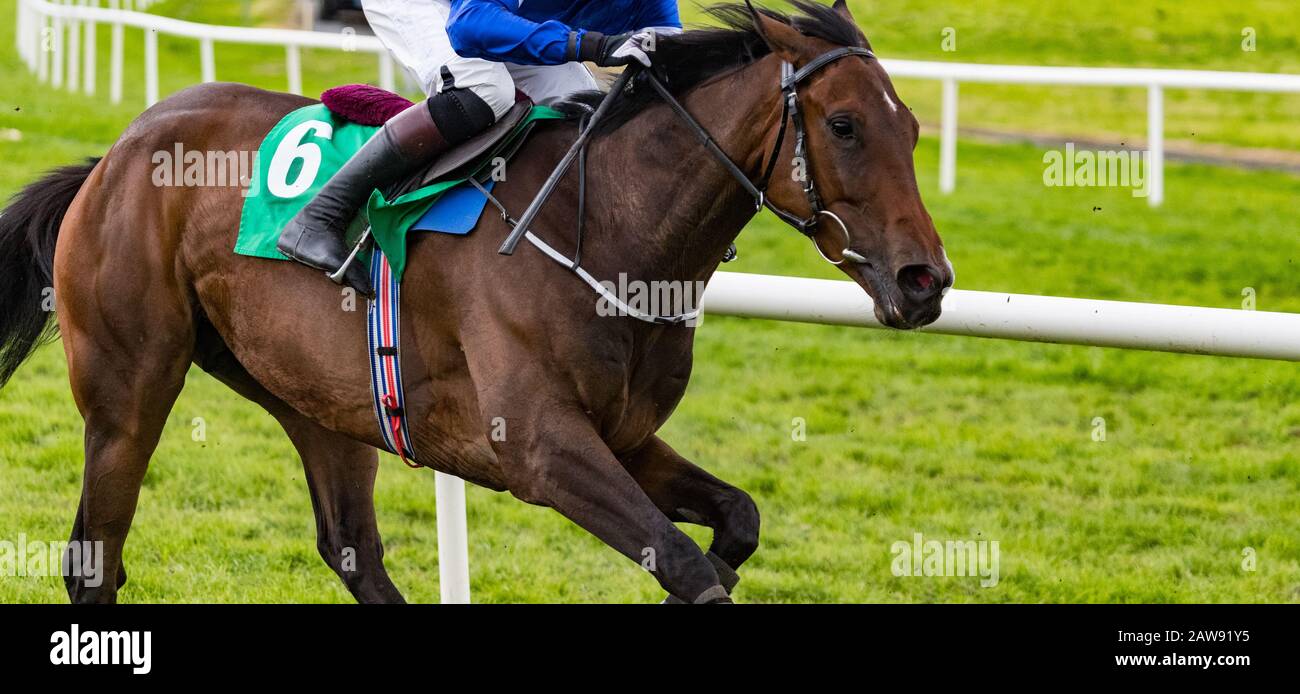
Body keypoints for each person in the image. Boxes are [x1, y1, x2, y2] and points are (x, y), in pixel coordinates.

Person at [277, 0, 682, 292]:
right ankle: (319, 217)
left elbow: (668, 55)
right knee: (485, 89)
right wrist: (590, 46)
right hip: (441, 9)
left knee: (576, 95)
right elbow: (470, 27)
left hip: (491, 15)